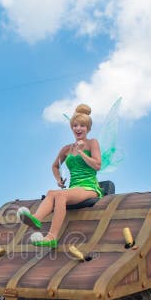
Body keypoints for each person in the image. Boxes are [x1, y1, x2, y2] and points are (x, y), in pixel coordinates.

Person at [18, 104, 102, 248]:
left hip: (89, 187)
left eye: (82, 125)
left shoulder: (92, 143)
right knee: (51, 192)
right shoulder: (66, 149)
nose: (78, 128)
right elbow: (55, 165)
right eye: (75, 125)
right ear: (72, 128)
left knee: (60, 196)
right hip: (74, 188)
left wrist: (81, 152)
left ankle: (52, 237)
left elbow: (97, 165)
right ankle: (35, 219)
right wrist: (58, 179)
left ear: (87, 128)